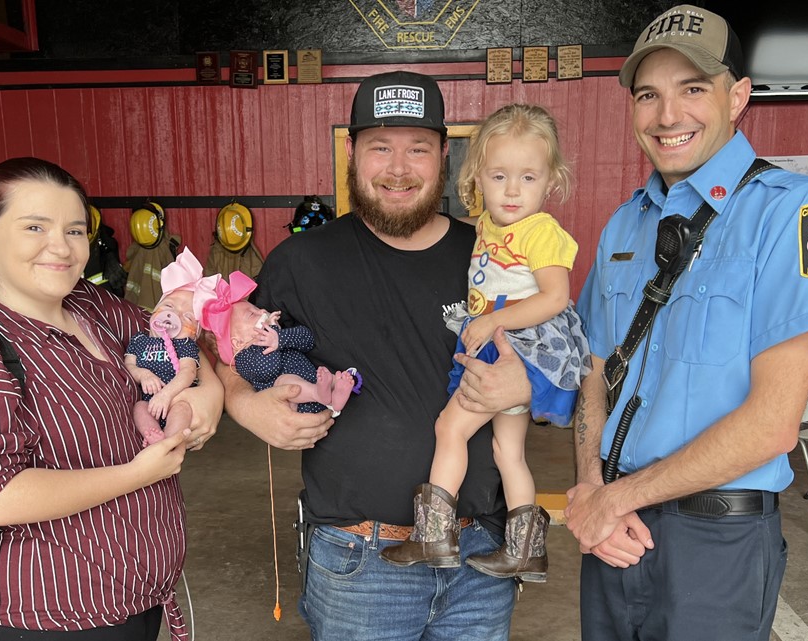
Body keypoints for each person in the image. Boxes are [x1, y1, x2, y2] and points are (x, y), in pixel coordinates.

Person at [565, 5, 808, 641]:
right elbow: (592, 371)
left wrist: (613, 500)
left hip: (715, 544)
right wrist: (591, 487)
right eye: (649, 95)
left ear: (739, 97)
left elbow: (773, 424)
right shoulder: (623, 225)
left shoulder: (797, 215)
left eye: (693, 89)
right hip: (613, 536)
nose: (668, 116)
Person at [216, 71, 529, 640]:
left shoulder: (493, 254)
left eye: (418, 149)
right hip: (360, 560)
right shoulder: (301, 261)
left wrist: (528, 387)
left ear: (444, 157)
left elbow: (561, 357)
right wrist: (245, 406)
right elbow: (225, 348)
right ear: (353, 152)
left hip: (480, 554)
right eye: (381, 147)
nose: (399, 168)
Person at [0, 157, 223, 641]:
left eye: (75, 231)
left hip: (137, 598)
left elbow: (179, 342)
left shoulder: (92, 304)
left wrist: (210, 397)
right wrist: (137, 474)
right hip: (53, 615)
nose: (61, 248)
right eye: (35, 226)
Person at [381, 103, 590, 581]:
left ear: (551, 180)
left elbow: (556, 297)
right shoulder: (490, 229)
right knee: (507, 453)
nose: (513, 190)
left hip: (511, 347)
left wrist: (486, 325)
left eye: (528, 178)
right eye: (499, 176)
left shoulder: (541, 232)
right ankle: (524, 550)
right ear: (477, 176)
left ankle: (434, 535)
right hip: (503, 342)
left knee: (449, 429)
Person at [202, 270, 360, 415]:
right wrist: (272, 337)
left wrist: (280, 337)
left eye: (258, 308)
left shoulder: (278, 336)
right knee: (284, 383)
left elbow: (307, 339)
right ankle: (319, 393)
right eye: (252, 314)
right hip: (298, 402)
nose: (263, 311)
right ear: (237, 342)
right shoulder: (244, 358)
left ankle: (336, 389)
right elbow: (268, 369)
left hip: (316, 381)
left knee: (325, 375)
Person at [124, 247, 216, 445]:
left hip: (175, 400)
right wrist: (143, 375)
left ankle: (170, 442)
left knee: (183, 409)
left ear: (195, 333)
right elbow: (129, 365)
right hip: (149, 402)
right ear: (154, 311)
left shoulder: (185, 345)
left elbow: (188, 372)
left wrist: (167, 395)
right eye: (169, 306)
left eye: (188, 316)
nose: (176, 317)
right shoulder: (140, 340)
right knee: (139, 407)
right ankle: (152, 434)